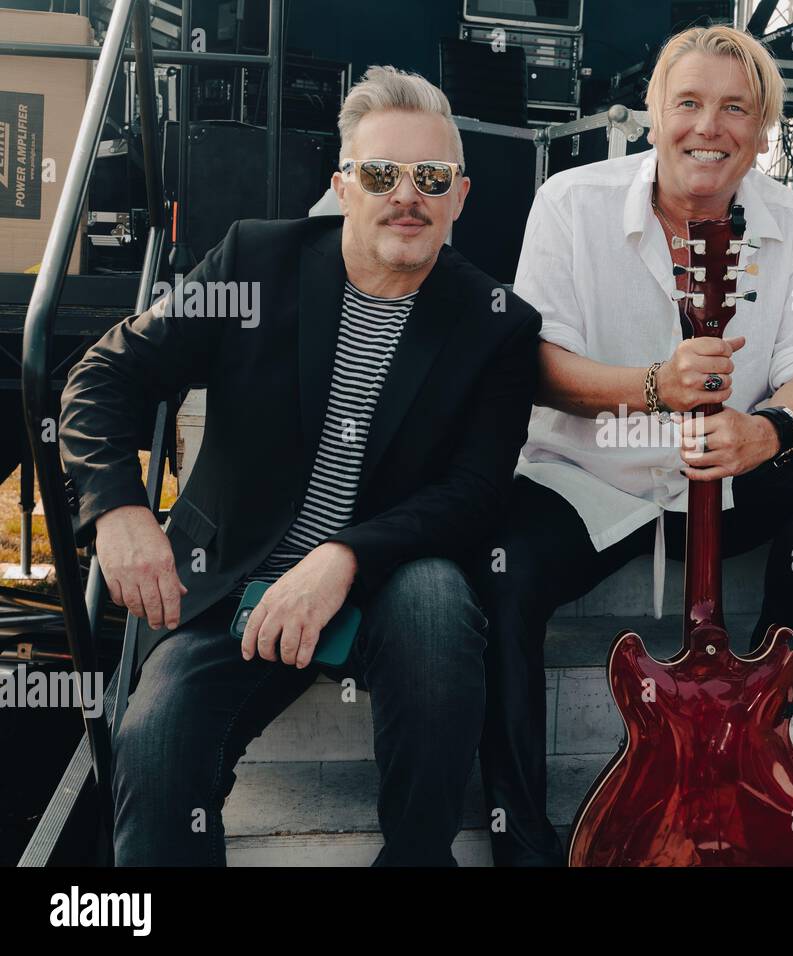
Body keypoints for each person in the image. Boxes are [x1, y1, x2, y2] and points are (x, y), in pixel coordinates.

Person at [58, 66, 541, 865]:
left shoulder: (497, 326)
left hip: (387, 585)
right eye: (382, 173)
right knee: (158, 738)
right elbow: (104, 375)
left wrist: (343, 556)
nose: (407, 196)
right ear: (344, 187)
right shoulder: (256, 261)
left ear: (460, 197)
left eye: (432, 178)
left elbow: (476, 494)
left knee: (436, 602)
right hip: (231, 583)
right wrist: (118, 507)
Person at [477, 24, 793, 866]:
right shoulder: (571, 203)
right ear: (651, 113)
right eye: (688, 102)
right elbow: (535, 364)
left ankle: (765, 723)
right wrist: (653, 386)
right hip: (589, 474)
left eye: (736, 109)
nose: (709, 126)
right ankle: (520, 831)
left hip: (726, 479)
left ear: (763, 132)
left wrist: (760, 433)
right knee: (500, 578)